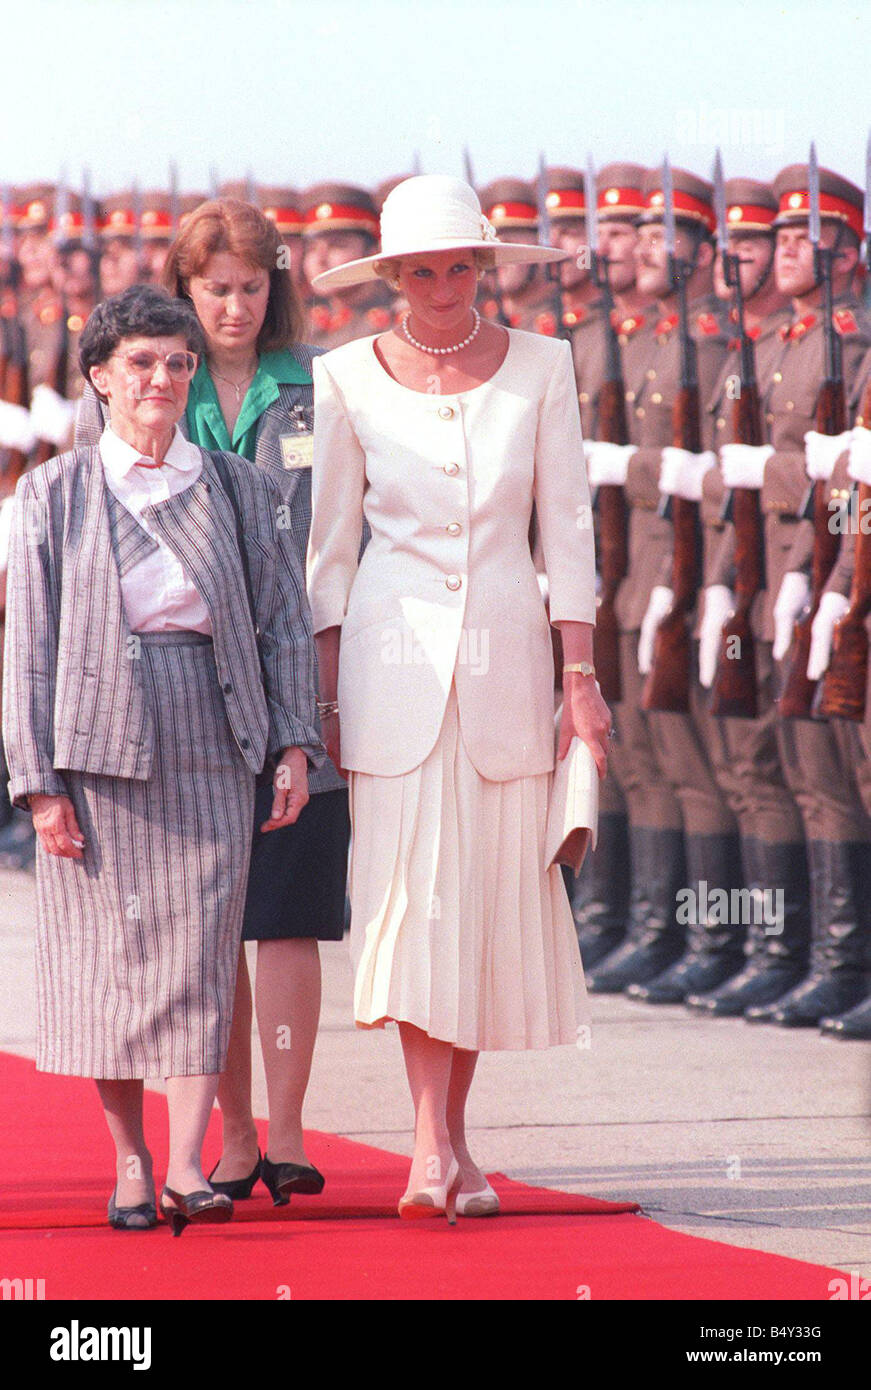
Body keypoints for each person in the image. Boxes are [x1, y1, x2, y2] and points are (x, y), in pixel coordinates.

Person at [306, 175, 610, 1220]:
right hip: (388, 674)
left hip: (510, 668)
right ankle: (431, 1144)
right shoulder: (343, 376)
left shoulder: (543, 367)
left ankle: (452, 1140)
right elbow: (330, 548)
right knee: (410, 908)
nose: (442, 286)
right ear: (388, 277)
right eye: (420, 269)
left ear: (483, 266)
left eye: (458, 265)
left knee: (480, 908)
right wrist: (324, 690)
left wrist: (582, 676)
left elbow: (566, 530)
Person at [5, 284, 324, 1234]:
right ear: (100, 377)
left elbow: (282, 628)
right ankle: (132, 1159)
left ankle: (189, 1162)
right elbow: (26, 646)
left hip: (210, 740)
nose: (161, 379)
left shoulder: (239, 488)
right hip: (96, 748)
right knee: (110, 966)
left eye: (177, 363)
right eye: (140, 362)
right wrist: (38, 789)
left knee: (198, 959)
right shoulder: (52, 493)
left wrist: (294, 745)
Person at [76, 197, 351, 1206]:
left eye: (249, 286)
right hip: (191, 688)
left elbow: (353, 522)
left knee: (288, 910)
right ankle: (228, 1137)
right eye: (212, 290)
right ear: (184, 293)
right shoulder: (153, 385)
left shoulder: (325, 385)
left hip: (307, 662)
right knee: (210, 922)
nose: (233, 307)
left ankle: (287, 1131)